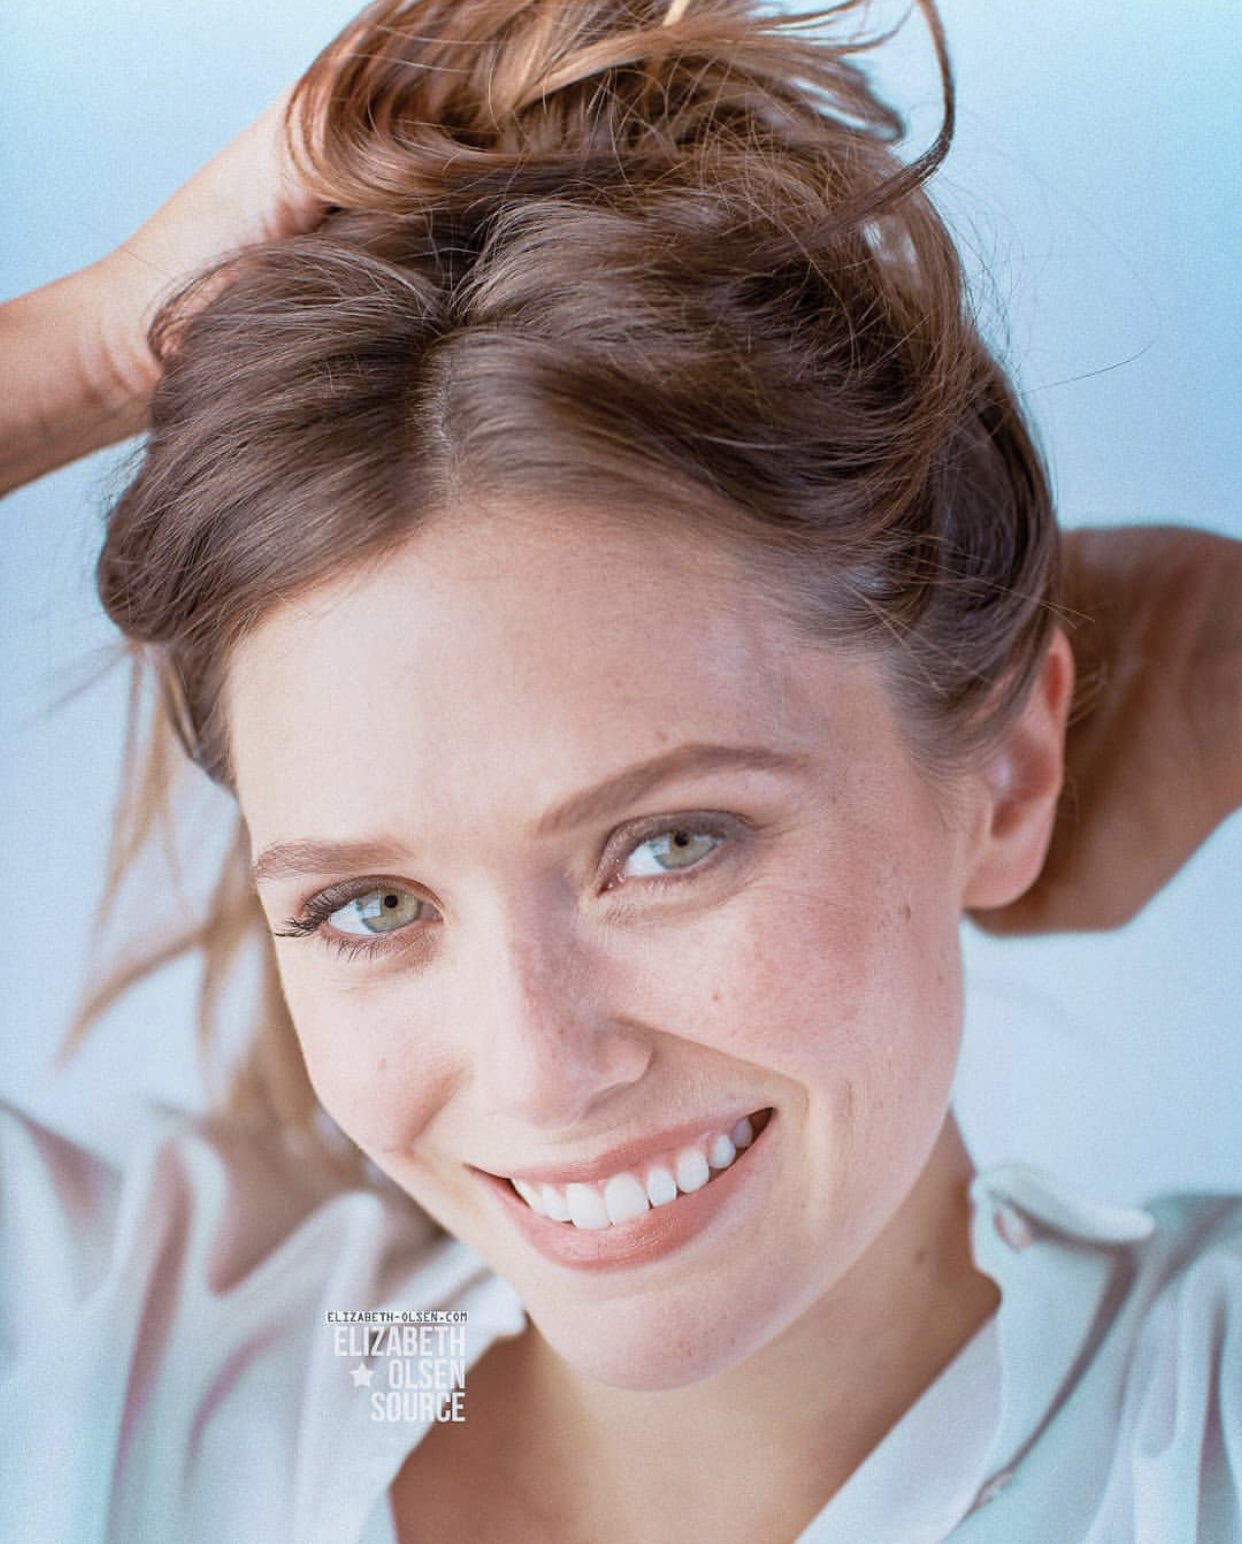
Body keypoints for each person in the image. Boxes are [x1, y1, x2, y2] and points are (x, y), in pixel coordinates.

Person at [1, 2, 1239, 1540]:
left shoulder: (1190, 1434)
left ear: (1013, 760)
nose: (537, 1068)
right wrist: (94, 339)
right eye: (375, 904)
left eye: (670, 844)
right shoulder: (156, 1374)